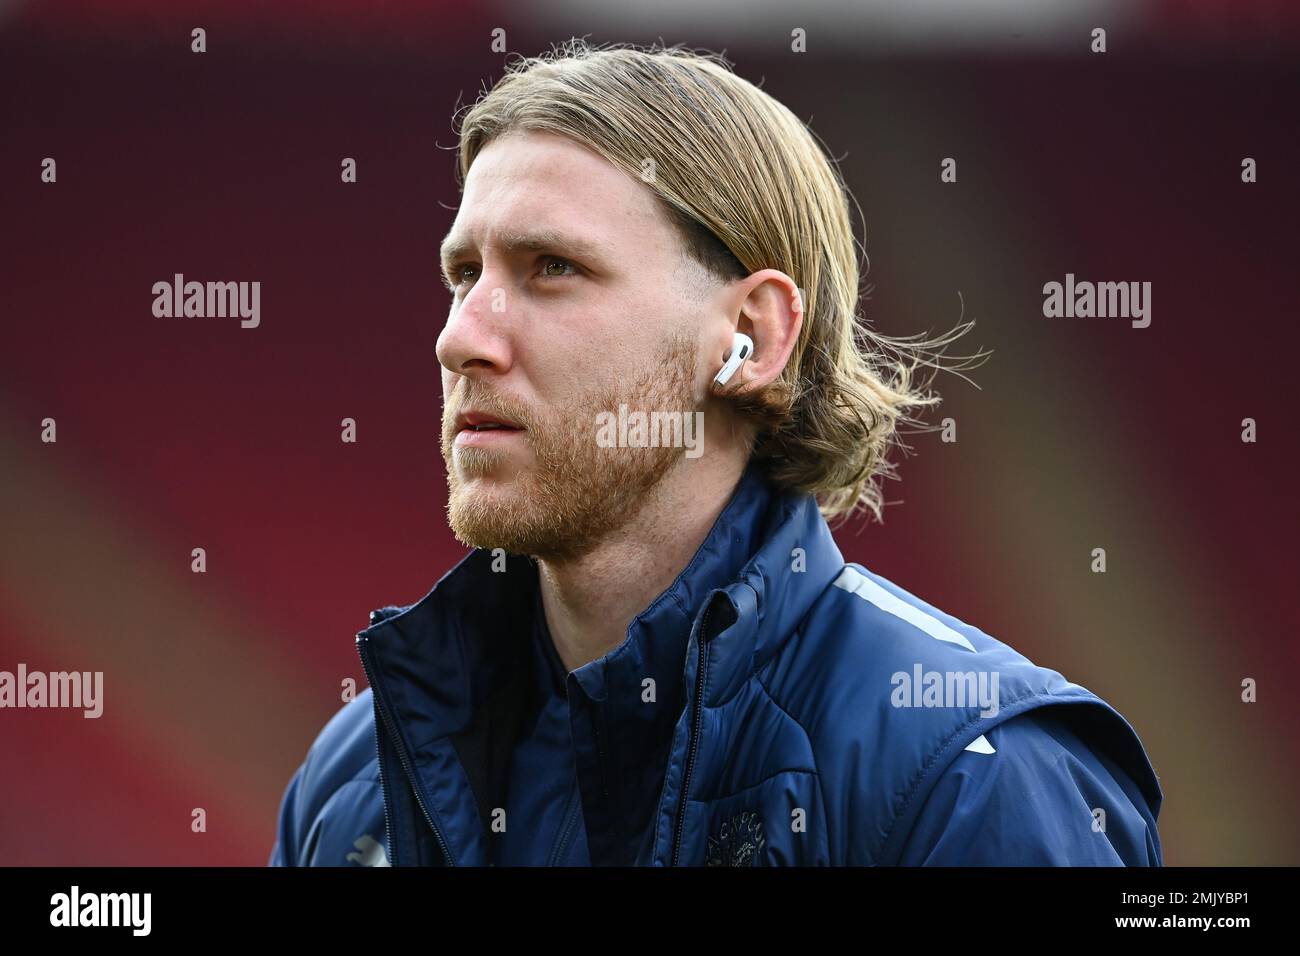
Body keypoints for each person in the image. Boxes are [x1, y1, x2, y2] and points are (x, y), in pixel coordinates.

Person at [269, 40, 1163, 867]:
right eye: (464, 276)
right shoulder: (356, 783)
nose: (461, 338)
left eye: (551, 268)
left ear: (751, 337)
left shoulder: (978, 777)